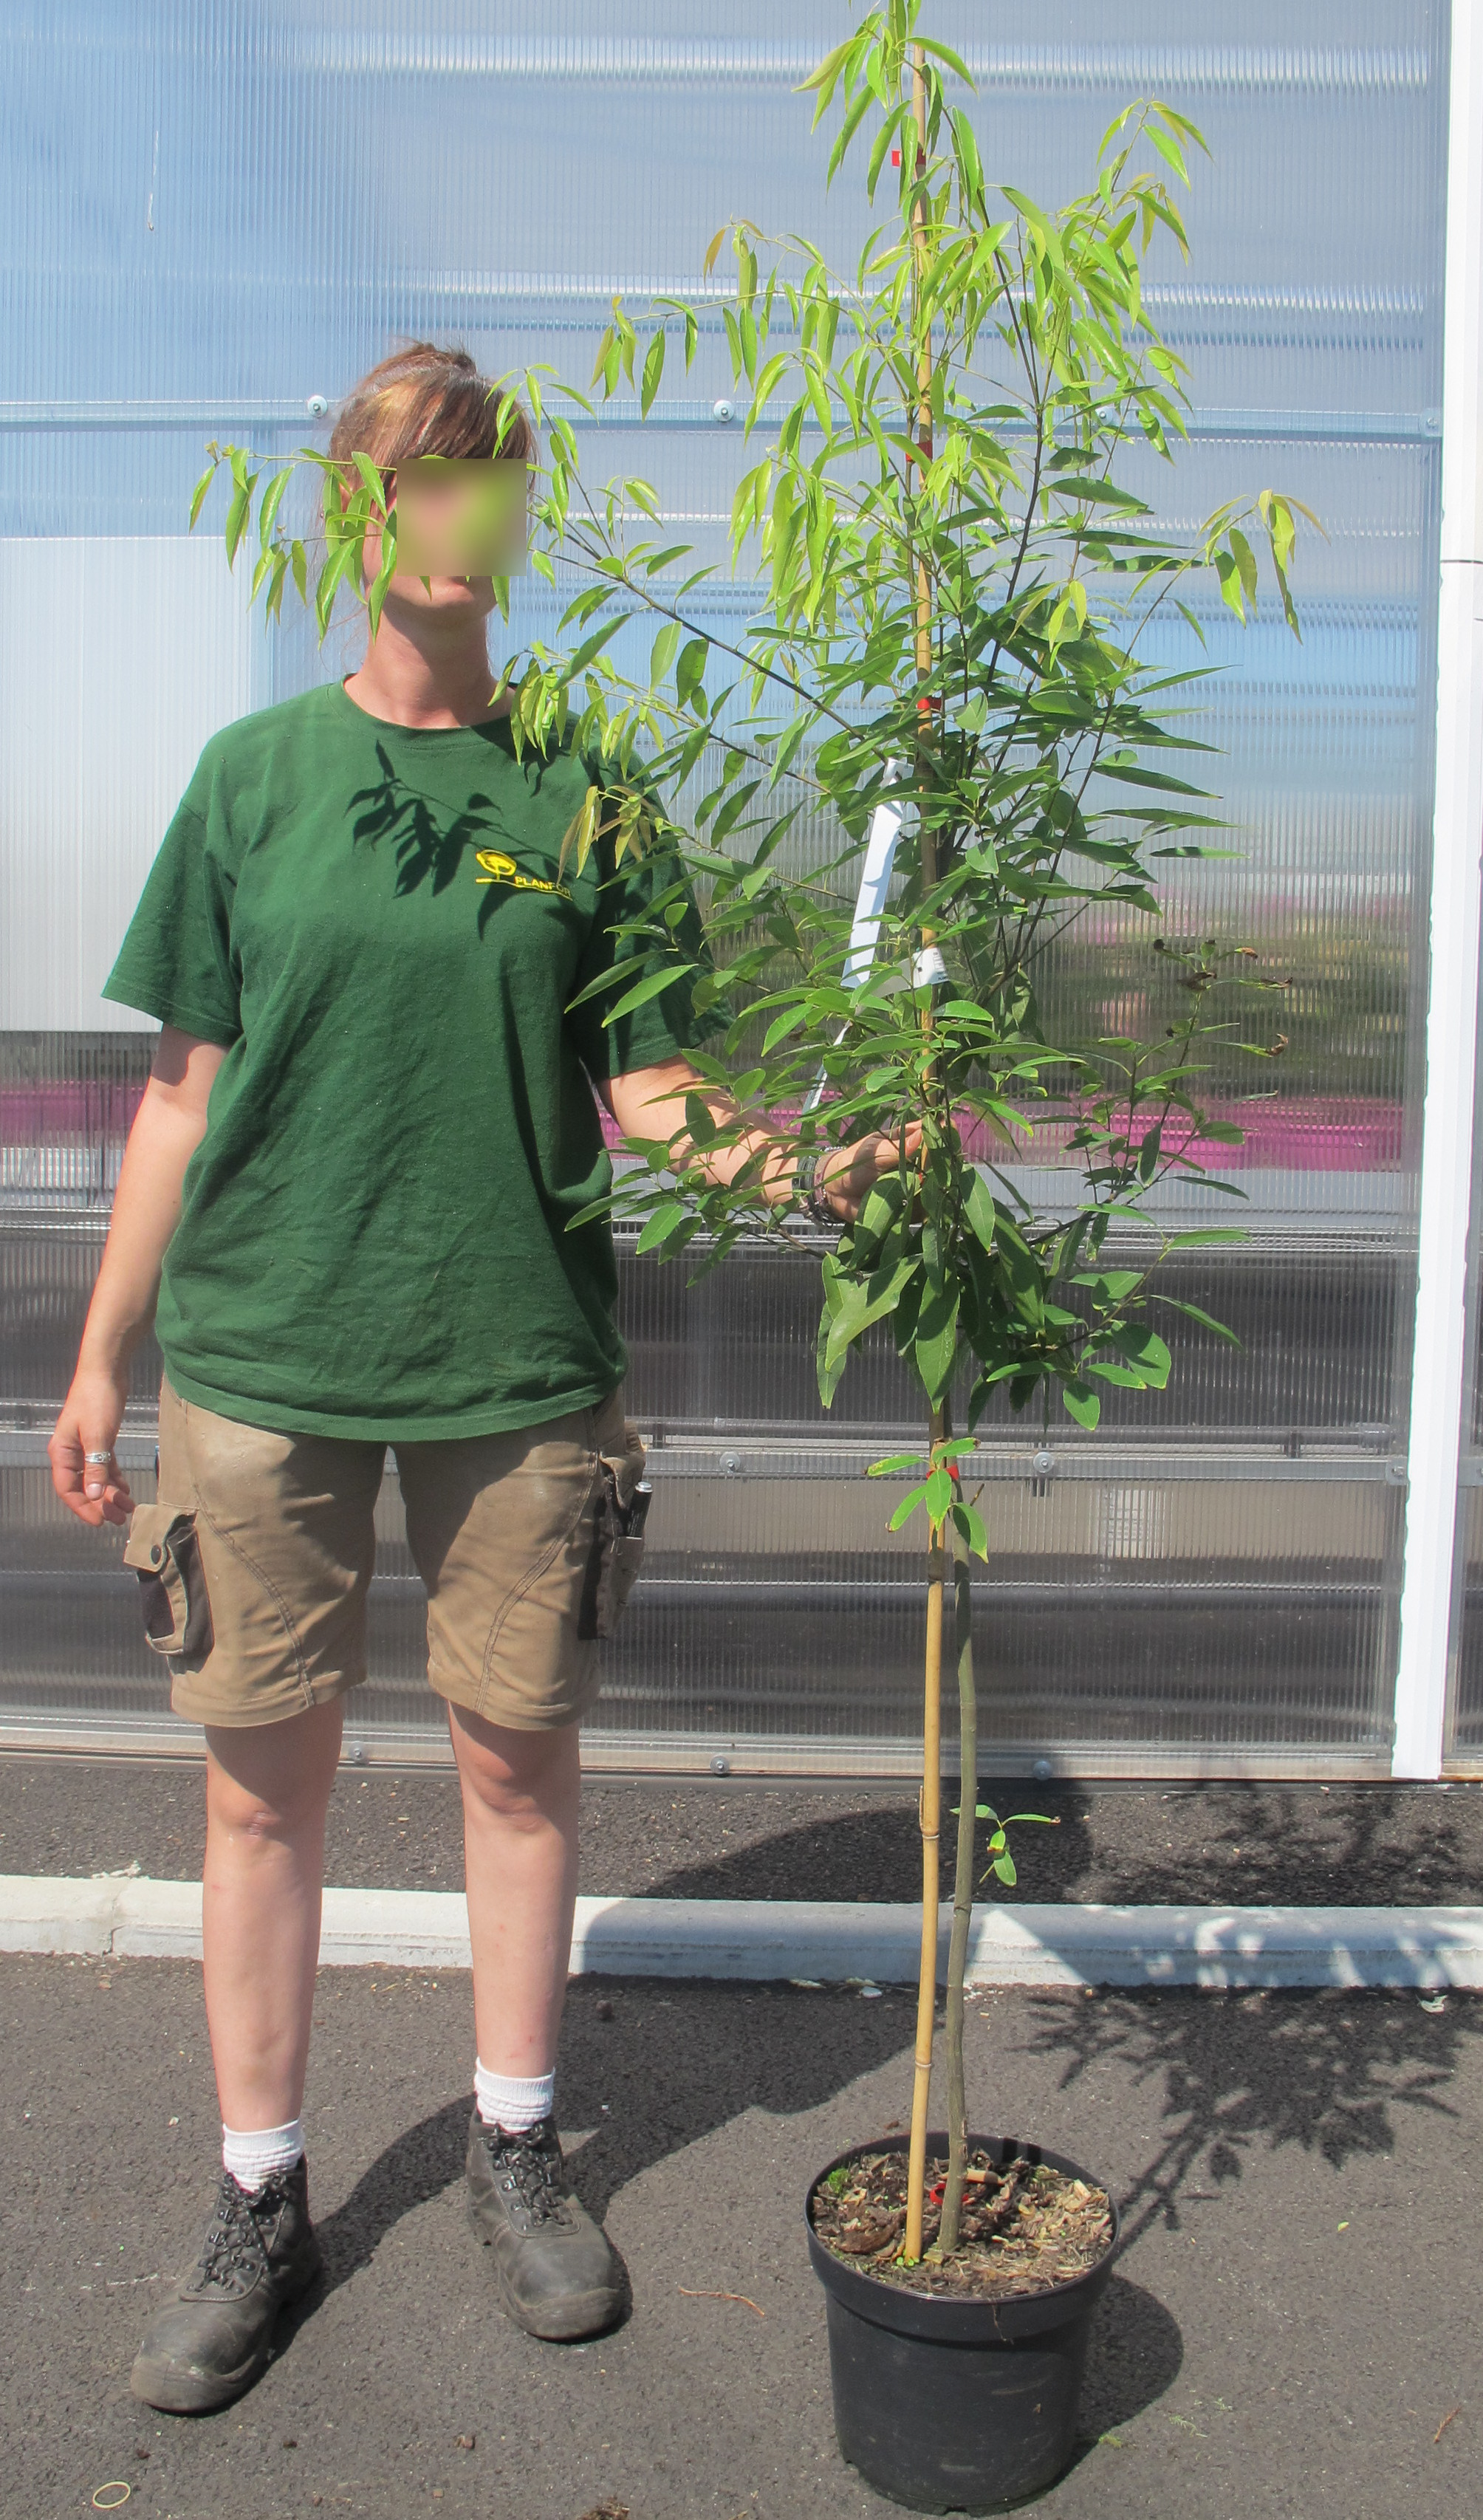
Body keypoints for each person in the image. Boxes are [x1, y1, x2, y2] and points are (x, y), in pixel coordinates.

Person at [47, 343, 911, 2414]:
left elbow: (655, 1093)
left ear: (518, 515)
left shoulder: (591, 787)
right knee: (260, 1793)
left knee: (518, 1767)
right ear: (355, 516)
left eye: (489, 477)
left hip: (518, 1354)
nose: (457, 512)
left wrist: (819, 1168)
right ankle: (260, 2194)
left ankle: (517, 2147)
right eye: (418, 478)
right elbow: (180, 1094)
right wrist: (95, 1357)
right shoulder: (254, 779)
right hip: (263, 1353)